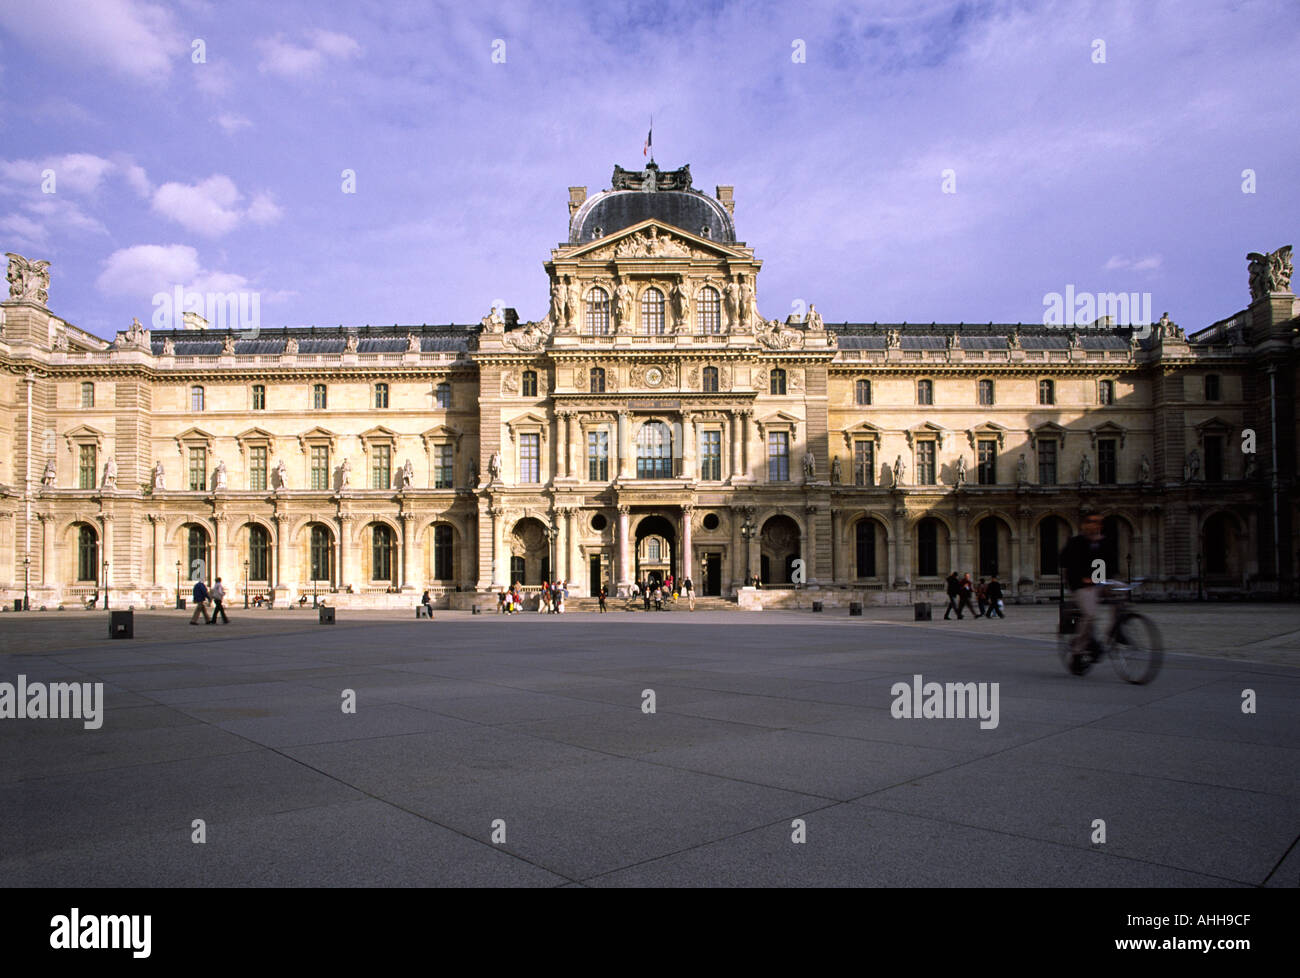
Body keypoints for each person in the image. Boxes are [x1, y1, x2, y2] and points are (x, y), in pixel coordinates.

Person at [1061, 511, 1106, 669]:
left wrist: (1100, 580)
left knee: (1120, 600)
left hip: (1096, 582)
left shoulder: (1102, 543)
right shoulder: (1076, 542)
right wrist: (1083, 579)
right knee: (1090, 614)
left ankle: (1118, 631)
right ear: (1084, 525)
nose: (1095, 525)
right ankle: (1077, 651)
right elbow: (1067, 562)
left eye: (1098, 522)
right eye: (1091, 521)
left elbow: (1106, 563)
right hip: (1079, 585)